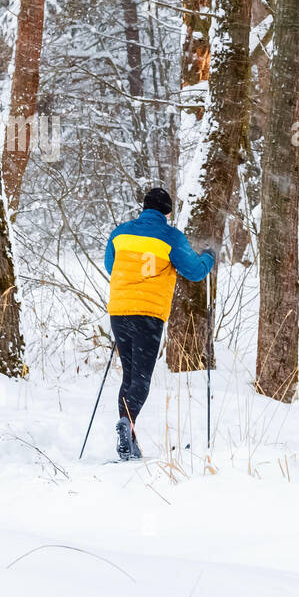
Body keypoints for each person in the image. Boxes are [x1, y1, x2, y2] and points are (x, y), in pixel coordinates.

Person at [103, 187, 214, 460]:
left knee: (129, 375)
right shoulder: (170, 236)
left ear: (144, 207)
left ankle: (129, 435)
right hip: (148, 314)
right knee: (141, 377)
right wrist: (209, 256)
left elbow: (111, 266)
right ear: (167, 212)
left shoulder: (120, 233)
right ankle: (127, 425)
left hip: (119, 310)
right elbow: (195, 272)